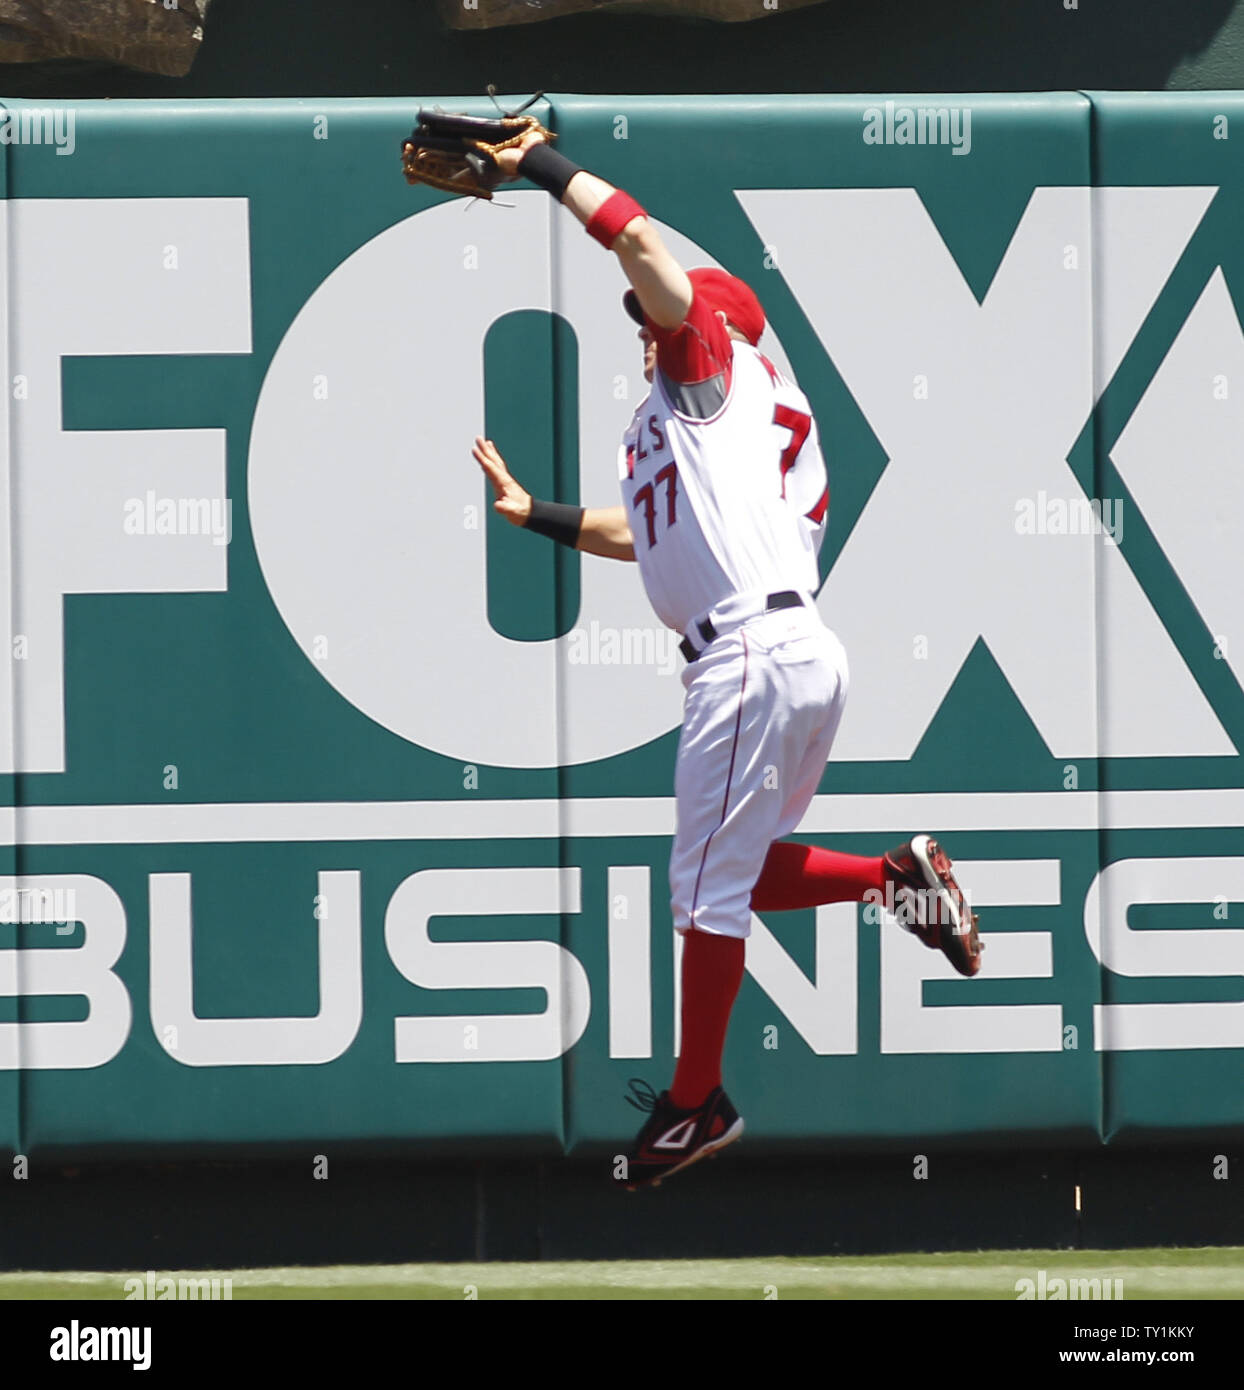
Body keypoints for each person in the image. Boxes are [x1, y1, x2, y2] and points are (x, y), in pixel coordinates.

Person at [471, 128, 983, 1190]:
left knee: (702, 894)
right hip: (786, 649)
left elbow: (646, 251)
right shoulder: (710, 414)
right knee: (730, 872)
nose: (641, 330)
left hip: (748, 653)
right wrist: (540, 517)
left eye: (654, 318)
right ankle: (895, 880)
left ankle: (694, 1102)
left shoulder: (714, 365)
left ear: (706, 324)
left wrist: (543, 165)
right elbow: (646, 531)